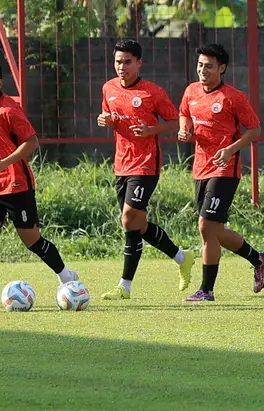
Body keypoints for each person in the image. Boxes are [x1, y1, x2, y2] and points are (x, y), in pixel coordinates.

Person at [0, 58, 79, 313]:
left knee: (32, 241)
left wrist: (4, 163)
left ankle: (66, 275)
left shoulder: (10, 110)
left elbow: (31, 142)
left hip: (16, 185)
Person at [97, 39, 194, 301]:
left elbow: (174, 122)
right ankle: (182, 258)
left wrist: (151, 130)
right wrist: (103, 119)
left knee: (129, 218)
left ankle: (124, 286)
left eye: (128, 62)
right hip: (121, 165)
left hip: (146, 164)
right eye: (118, 61)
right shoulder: (108, 89)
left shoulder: (152, 93)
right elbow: (108, 115)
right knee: (137, 226)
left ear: (139, 63)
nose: (122, 67)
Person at [178, 43, 264, 303]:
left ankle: (206, 290)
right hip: (200, 168)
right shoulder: (191, 91)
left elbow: (255, 130)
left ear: (222, 68)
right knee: (214, 230)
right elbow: (184, 114)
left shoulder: (233, 97)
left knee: (206, 226)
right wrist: (185, 129)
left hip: (225, 170)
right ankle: (257, 259)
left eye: (208, 66)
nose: (202, 70)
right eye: (200, 65)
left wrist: (230, 149)